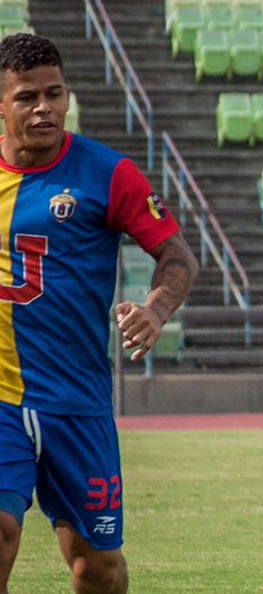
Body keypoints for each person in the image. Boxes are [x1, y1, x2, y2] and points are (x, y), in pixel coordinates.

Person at [0, 34, 197, 593]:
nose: (44, 108)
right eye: (26, 98)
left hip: (77, 401)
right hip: (2, 398)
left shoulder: (109, 174)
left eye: (54, 93)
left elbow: (178, 255)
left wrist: (157, 308)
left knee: (97, 568)